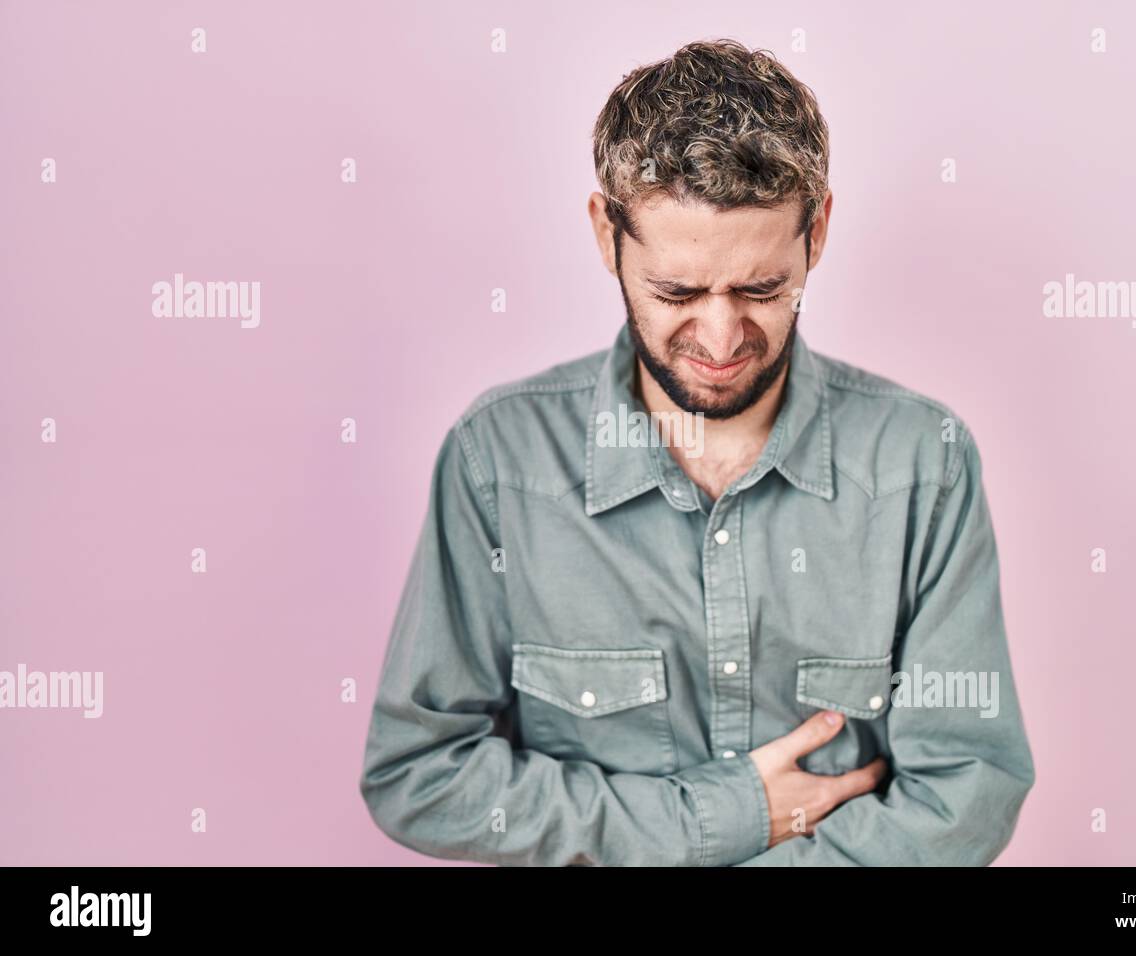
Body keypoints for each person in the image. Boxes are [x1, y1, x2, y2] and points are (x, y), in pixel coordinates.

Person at [359, 38, 1034, 866]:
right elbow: (420, 775)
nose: (720, 338)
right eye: (677, 292)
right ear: (609, 237)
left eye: (760, 289)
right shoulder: (498, 460)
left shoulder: (922, 463)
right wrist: (726, 816)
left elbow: (966, 792)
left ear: (816, 232)